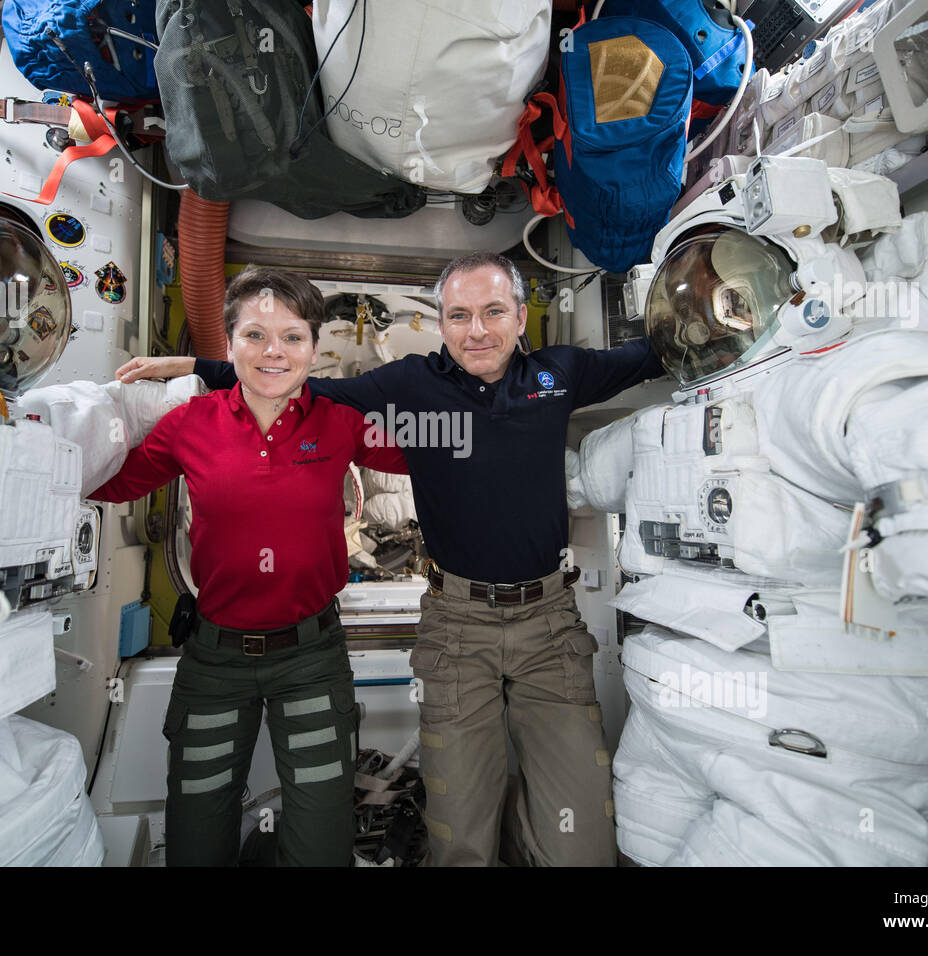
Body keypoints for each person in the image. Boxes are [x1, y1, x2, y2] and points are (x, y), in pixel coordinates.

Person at [117, 252, 664, 866]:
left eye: (493, 312)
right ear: (440, 323)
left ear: (519, 317)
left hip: (551, 621)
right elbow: (296, 378)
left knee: (581, 844)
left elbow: (652, 355)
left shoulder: (561, 373)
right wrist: (193, 368)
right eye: (459, 315)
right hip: (458, 623)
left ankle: (537, 838)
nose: (477, 331)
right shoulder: (410, 384)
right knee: (459, 835)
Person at [90, 267, 408, 866]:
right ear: (229, 343)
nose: (274, 352)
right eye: (255, 335)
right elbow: (111, 483)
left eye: (293, 337)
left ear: (315, 348)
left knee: (321, 844)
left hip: (311, 658)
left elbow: (432, 454)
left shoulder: (340, 422)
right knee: (195, 838)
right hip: (214, 660)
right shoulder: (190, 424)